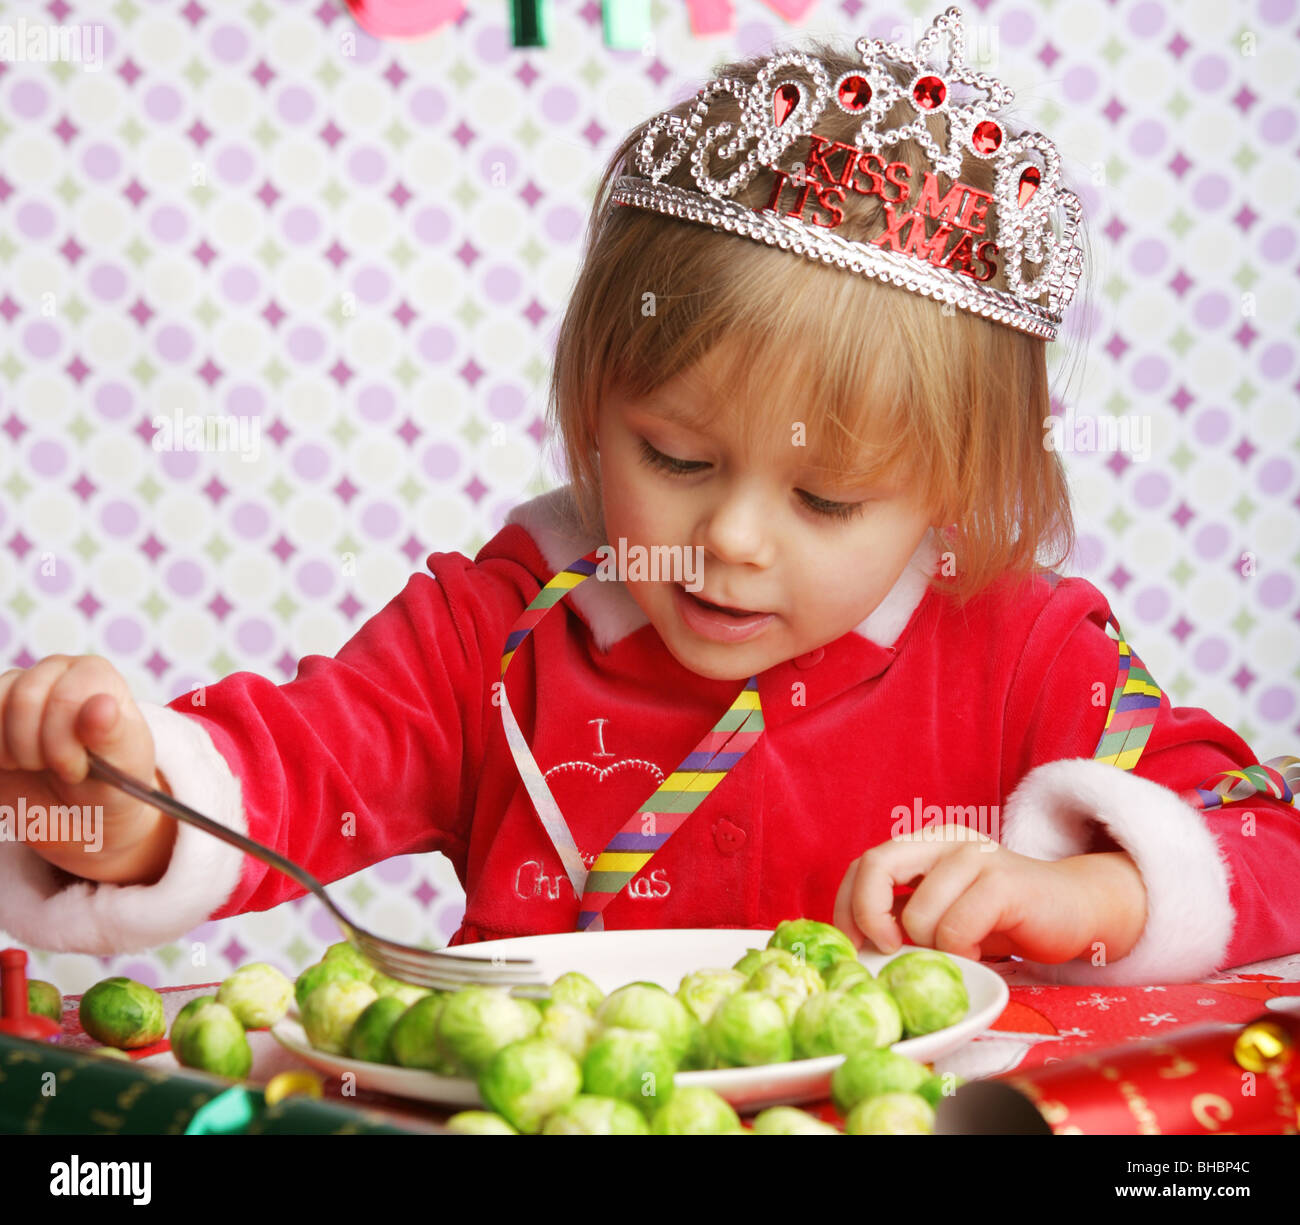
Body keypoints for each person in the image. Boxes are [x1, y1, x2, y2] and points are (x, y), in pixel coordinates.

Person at [1, 10, 1297, 987]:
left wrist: (1105, 890)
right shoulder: (498, 633)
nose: (729, 541)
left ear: (949, 489)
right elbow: (289, 768)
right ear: (593, 403)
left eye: (830, 497)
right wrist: (118, 811)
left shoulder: (1021, 648)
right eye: (676, 458)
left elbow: (1268, 841)